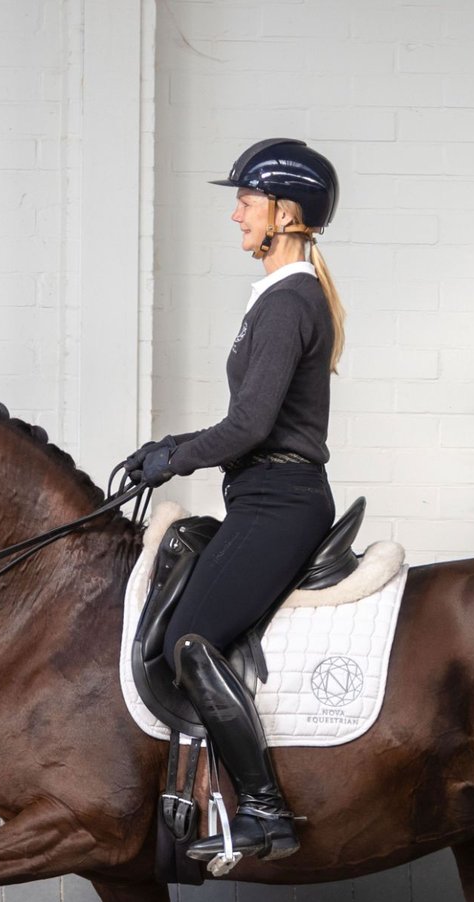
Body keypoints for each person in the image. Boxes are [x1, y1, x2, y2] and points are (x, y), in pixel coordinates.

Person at [121, 138, 348, 863]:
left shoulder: (290, 301)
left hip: (281, 501)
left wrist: (174, 458)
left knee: (191, 641)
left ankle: (263, 808)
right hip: (262, 493)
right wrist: (170, 444)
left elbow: (249, 426)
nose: (235, 215)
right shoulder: (278, 297)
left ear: (285, 213)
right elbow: (251, 419)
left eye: (246, 201)